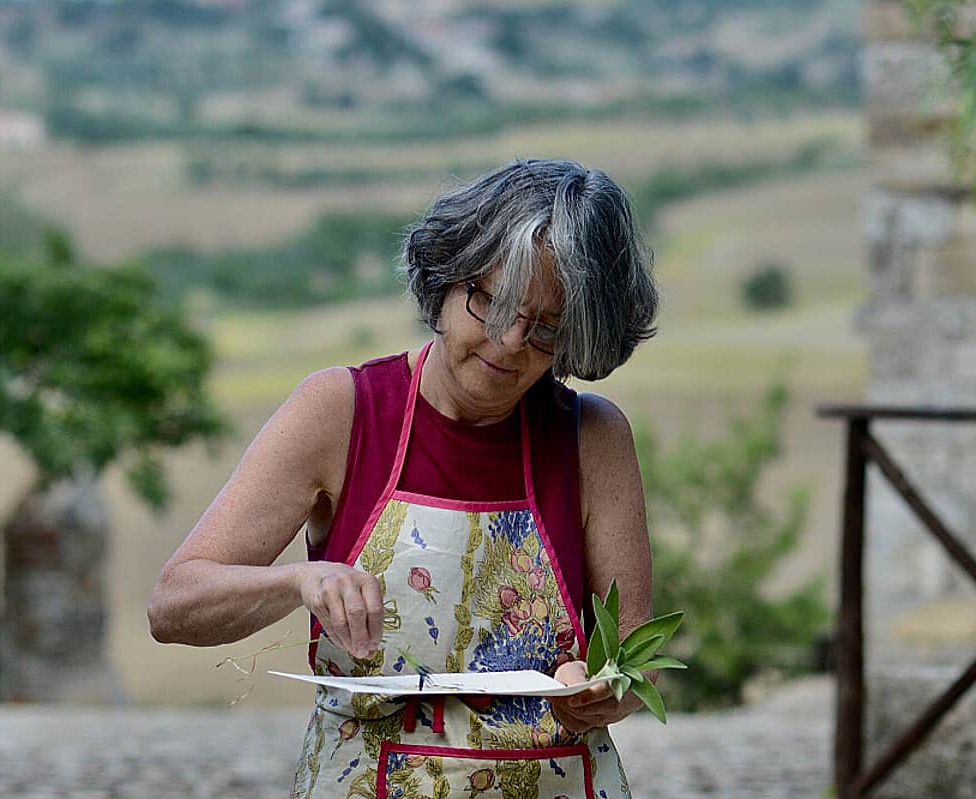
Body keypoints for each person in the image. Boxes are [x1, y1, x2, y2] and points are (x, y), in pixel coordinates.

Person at [148, 158, 660, 799]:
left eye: (546, 327)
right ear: (444, 281)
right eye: (488, 302)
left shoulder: (595, 438)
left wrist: (601, 691)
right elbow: (173, 607)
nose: (506, 343)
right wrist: (300, 579)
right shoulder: (342, 411)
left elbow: (636, 668)